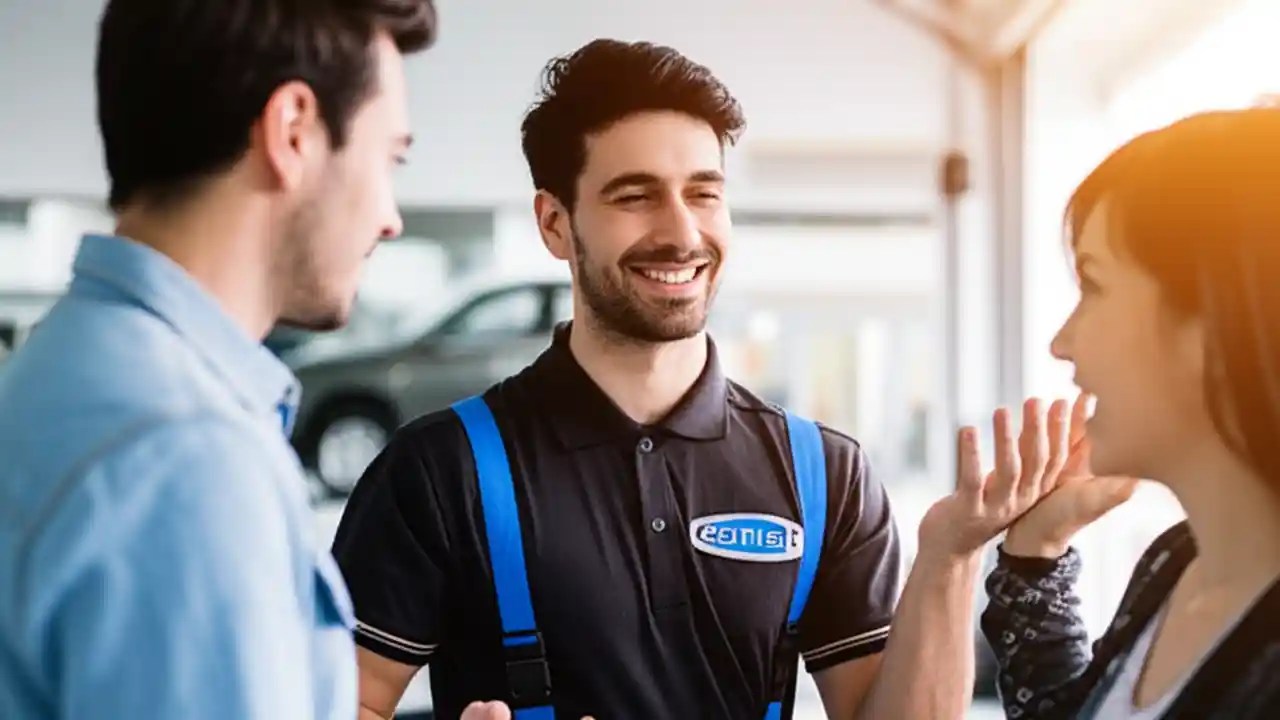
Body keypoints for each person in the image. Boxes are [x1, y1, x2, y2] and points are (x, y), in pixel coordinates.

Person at [333, 38, 1062, 720]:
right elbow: (330, 699)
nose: (682, 232)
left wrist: (950, 556)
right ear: (555, 224)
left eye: (703, 192)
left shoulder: (824, 474)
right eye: (635, 195)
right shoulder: (439, 470)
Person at [0, 1, 437, 718]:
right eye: (389, 158)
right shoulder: (183, 456)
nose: (390, 215)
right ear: (293, 129)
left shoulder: (71, 374)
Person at [975, 109, 1280, 718]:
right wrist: (1037, 548)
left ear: (1215, 319)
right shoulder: (1178, 562)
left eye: (1094, 285)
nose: (1062, 342)